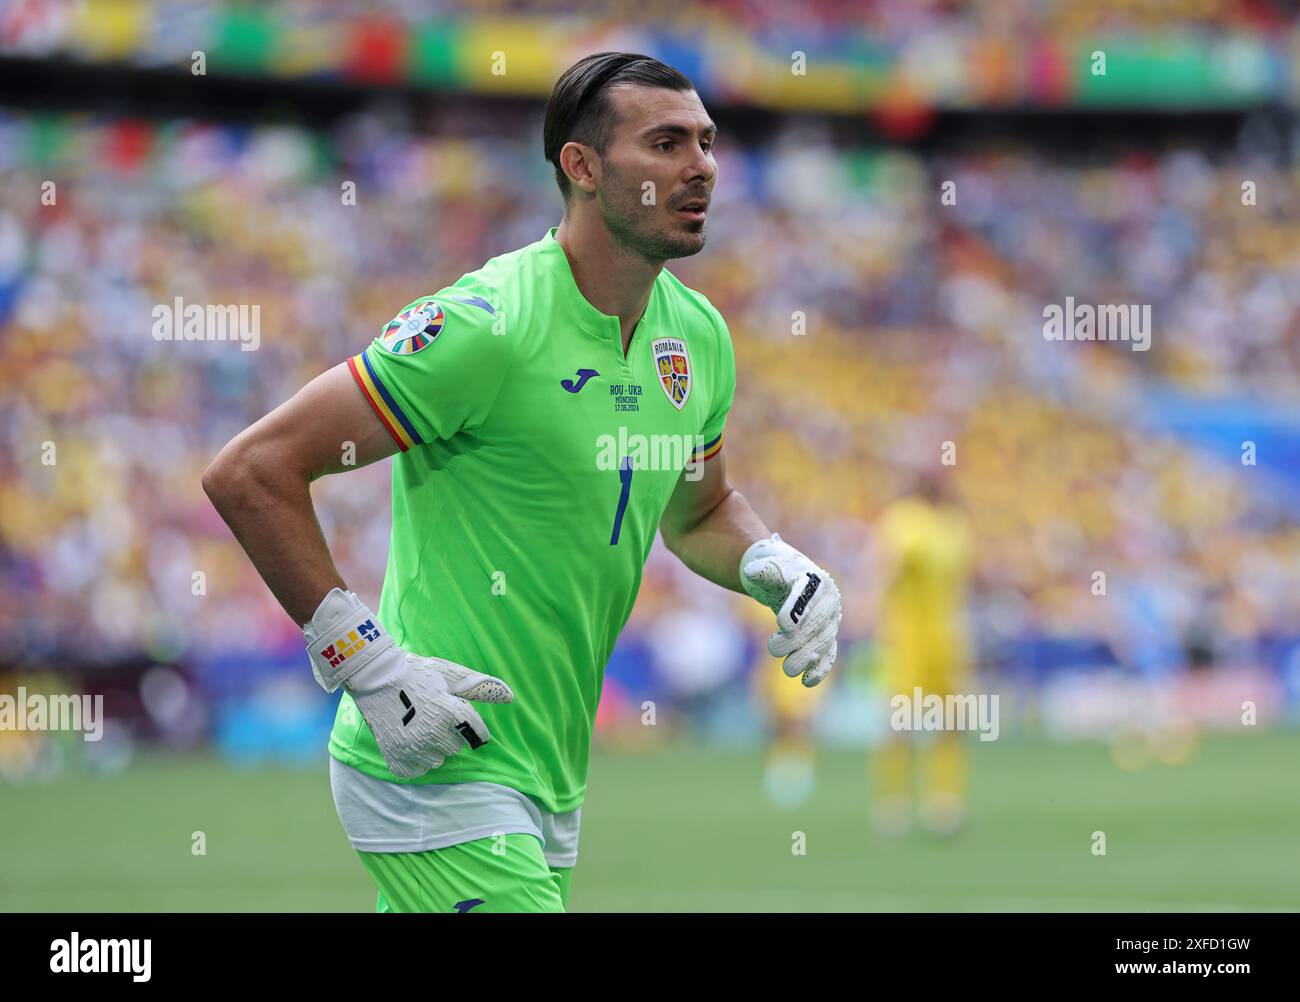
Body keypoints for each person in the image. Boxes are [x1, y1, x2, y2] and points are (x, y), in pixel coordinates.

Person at [202, 51, 843, 912]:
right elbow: (252, 470)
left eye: (706, 141)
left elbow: (698, 510)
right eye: (665, 143)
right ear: (581, 166)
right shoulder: (487, 326)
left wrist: (773, 561)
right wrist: (364, 660)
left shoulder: (699, 338)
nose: (701, 167)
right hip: (435, 761)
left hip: (547, 769)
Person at [872, 470, 973, 837]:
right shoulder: (904, 519)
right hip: (908, 636)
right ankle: (894, 803)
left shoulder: (952, 524)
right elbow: (891, 569)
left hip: (945, 636)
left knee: (951, 722)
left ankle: (944, 801)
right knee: (900, 721)